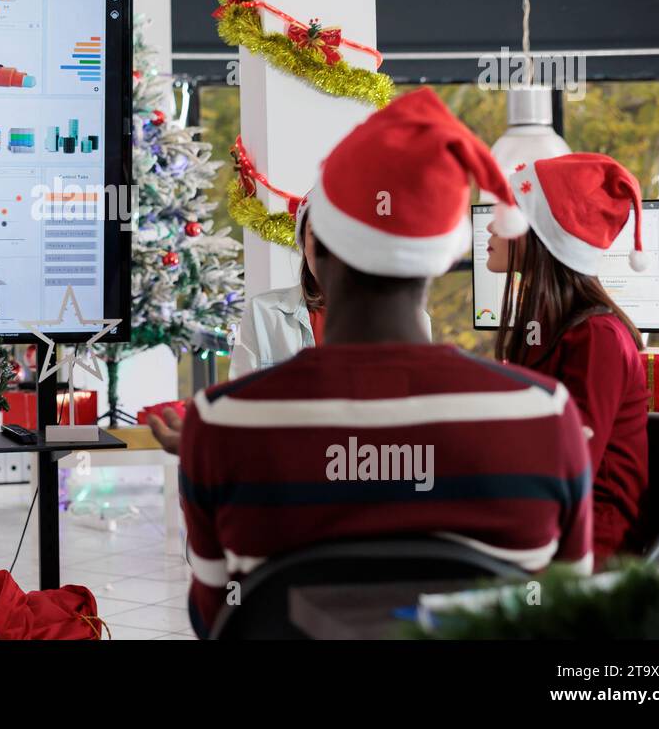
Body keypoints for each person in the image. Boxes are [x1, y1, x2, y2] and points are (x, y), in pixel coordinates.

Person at [178, 89, 593, 638]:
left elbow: (217, 617)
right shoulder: (543, 417)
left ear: (315, 245)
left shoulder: (222, 424)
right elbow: (567, 615)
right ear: (445, 254)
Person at [486, 153, 650, 564]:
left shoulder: (597, 338)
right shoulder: (545, 327)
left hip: (585, 548)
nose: (489, 225)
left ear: (540, 234)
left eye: (505, 213)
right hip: (547, 526)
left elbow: (568, 471)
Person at [227, 207, 326, 378]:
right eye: (316, 233)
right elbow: (240, 398)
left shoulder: (382, 319)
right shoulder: (261, 313)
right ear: (302, 241)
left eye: (337, 234)